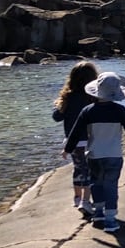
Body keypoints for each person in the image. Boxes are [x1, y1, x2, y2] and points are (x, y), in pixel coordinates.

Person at [61, 71, 125, 233]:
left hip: (94, 155)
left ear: (97, 91)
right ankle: (110, 220)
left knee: (96, 183)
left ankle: (98, 213)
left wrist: (67, 149)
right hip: (113, 154)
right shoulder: (119, 110)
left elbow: (76, 132)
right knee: (111, 186)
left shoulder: (88, 110)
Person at [52, 60, 99, 215]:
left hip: (72, 142)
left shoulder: (68, 97)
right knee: (89, 170)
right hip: (89, 140)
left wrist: (60, 105)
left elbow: (56, 117)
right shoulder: (93, 97)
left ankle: (77, 197)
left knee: (78, 168)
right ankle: (85, 201)